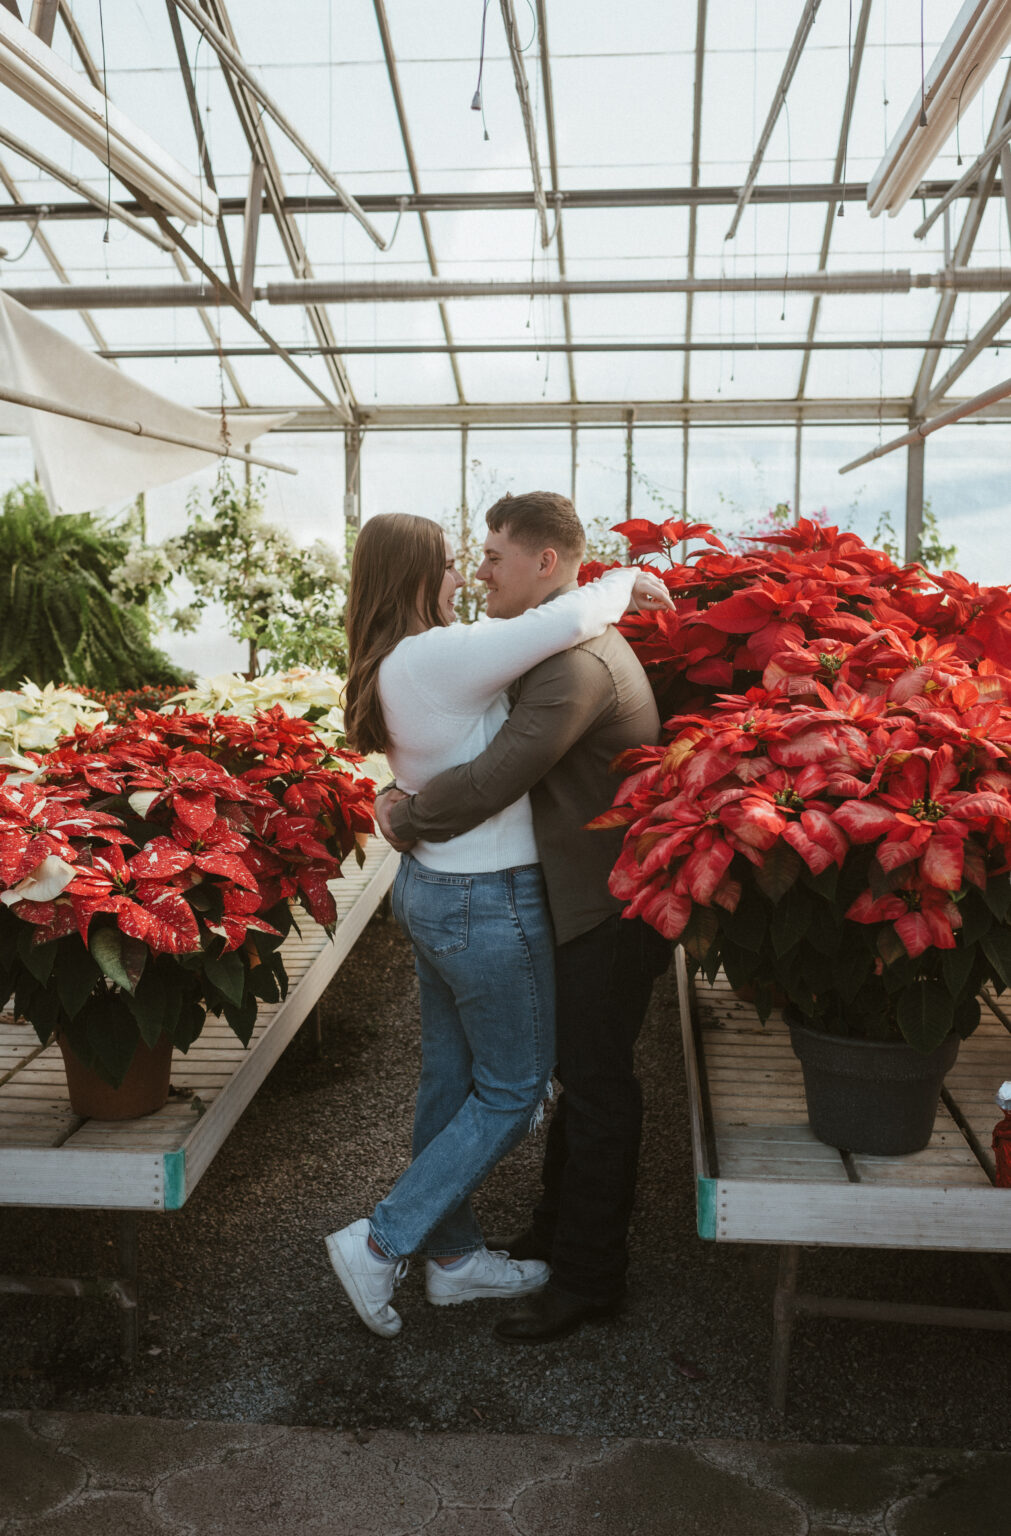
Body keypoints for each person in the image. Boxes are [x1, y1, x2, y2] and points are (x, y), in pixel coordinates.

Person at [325, 511, 671, 1338]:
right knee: (517, 1094)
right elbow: (487, 778)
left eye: (483, 558)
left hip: (452, 891)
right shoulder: (448, 653)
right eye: (456, 561)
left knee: (462, 1085)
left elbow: (494, 765)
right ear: (416, 577)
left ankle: (451, 1259)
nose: (471, 575)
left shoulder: (423, 656)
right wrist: (621, 581)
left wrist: (398, 816)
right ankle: (387, 1242)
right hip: (481, 896)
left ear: (543, 559)